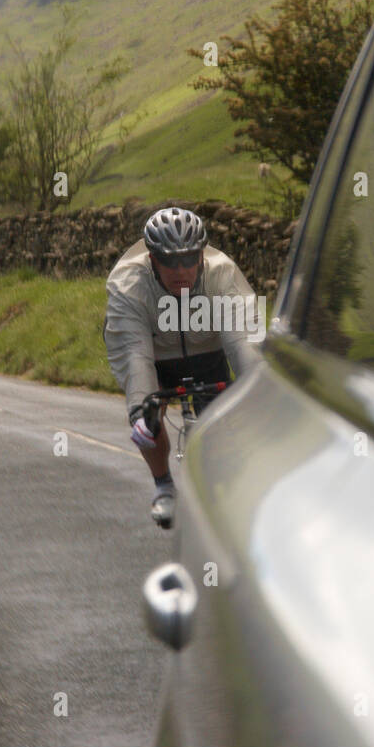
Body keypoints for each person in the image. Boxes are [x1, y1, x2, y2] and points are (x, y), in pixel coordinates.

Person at [104, 206, 261, 526]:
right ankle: (163, 485)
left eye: (189, 258)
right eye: (170, 260)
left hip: (209, 351)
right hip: (156, 357)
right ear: (152, 259)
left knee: (232, 415)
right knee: (149, 419)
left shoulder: (222, 273)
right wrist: (141, 412)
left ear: (202, 256)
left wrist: (257, 394)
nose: (181, 269)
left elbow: (242, 342)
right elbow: (136, 356)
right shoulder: (128, 283)